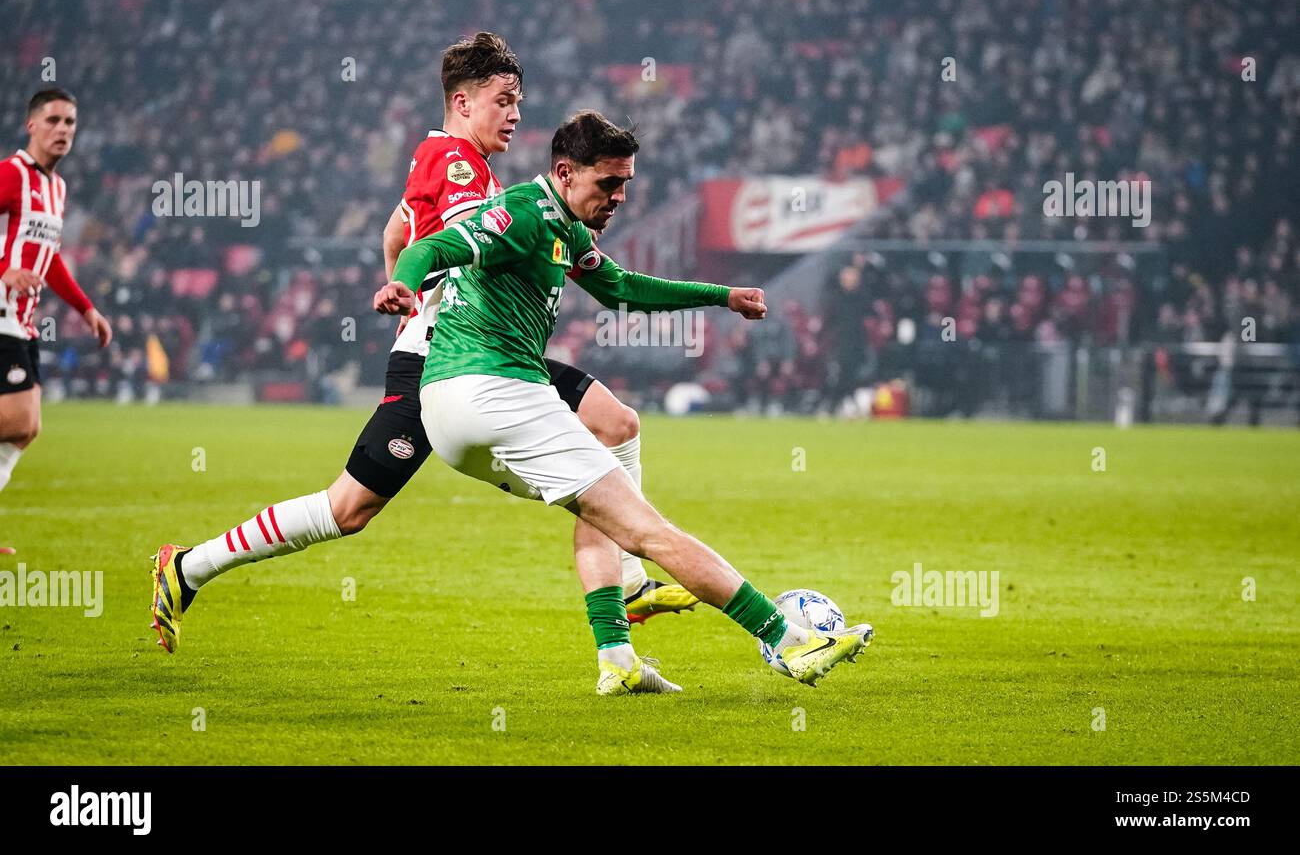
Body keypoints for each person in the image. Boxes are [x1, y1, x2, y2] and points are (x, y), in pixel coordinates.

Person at [148, 34, 692, 653]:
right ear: (463, 101)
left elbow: (396, 231)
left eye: (519, 102)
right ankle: (188, 567)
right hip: (445, 359)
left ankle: (627, 585)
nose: (515, 114)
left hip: (481, 352)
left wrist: (403, 289)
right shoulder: (459, 162)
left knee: (614, 424)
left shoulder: (448, 159)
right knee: (347, 508)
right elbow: (453, 245)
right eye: (503, 100)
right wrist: (419, 300)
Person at [373, 111, 873, 694]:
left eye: (626, 184)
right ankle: (790, 642)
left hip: (454, 415)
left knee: (603, 489)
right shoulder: (523, 215)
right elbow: (433, 245)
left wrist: (722, 296)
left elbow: (623, 288)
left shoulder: (567, 230)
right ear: (564, 172)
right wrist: (402, 282)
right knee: (649, 529)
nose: (619, 198)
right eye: (608, 184)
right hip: (498, 394)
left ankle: (617, 657)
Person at [0, 89, 113, 544]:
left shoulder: (56, 187)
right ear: (32, 125)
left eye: (70, 122)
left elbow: (51, 257)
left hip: (22, 321)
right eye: (53, 120)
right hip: (0, 314)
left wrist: (86, 308)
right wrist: (5, 269)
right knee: (21, 418)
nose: (63, 129)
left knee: (25, 432)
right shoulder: (12, 174)